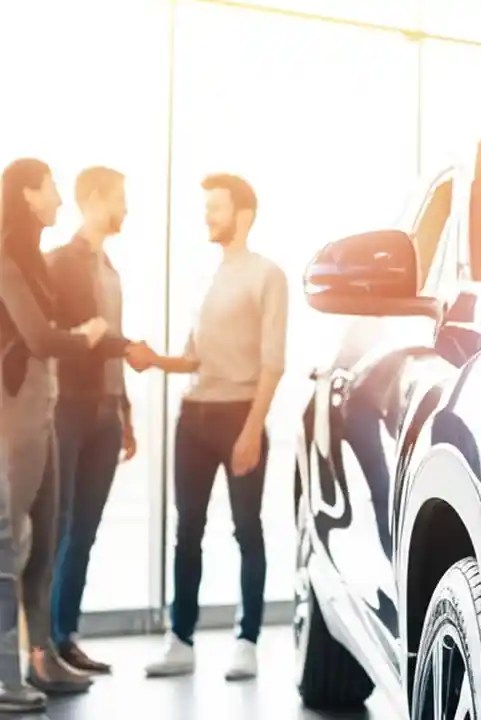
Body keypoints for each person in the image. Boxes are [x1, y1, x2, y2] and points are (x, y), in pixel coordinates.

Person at [137, 173, 287, 681]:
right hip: (194, 418)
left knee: (247, 530)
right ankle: (180, 638)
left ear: (242, 213)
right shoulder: (207, 279)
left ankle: (247, 640)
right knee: (187, 531)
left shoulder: (268, 276)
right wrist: (154, 359)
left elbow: (273, 365)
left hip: (240, 416)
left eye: (215, 208)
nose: (207, 216)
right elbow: (193, 357)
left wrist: (251, 430)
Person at [0, 158, 109, 703]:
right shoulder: (5, 261)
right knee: (7, 544)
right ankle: (5, 678)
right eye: (51, 189)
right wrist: (86, 337)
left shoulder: (34, 263)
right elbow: (40, 339)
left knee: (42, 543)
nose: (60, 200)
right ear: (26, 194)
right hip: (13, 413)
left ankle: (38, 662)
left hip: (43, 408)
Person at [47, 166, 145, 675]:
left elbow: (113, 344)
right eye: (120, 199)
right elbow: (57, 337)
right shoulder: (59, 262)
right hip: (67, 409)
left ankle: (65, 635)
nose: (125, 209)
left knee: (84, 530)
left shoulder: (111, 270)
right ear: (94, 199)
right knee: (57, 527)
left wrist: (126, 413)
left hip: (106, 412)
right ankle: (42, 642)